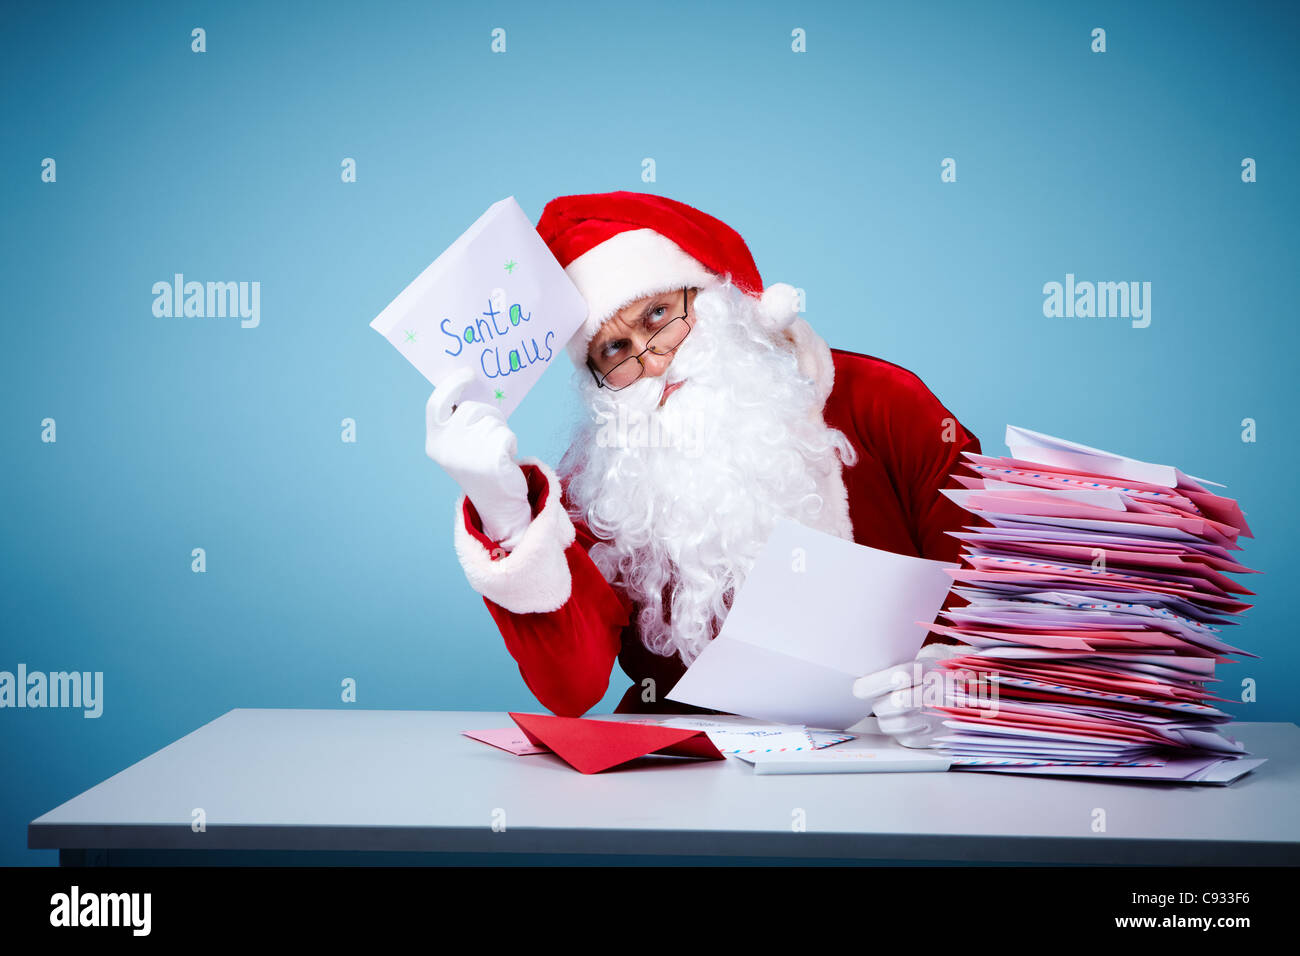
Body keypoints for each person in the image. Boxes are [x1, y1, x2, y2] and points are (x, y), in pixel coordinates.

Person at [425, 190, 979, 747]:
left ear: (716, 297)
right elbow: (572, 686)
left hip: (893, 757)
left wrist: (957, 686)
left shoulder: (883, 402)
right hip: (699, 773)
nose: (654, 360)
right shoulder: (601, 485)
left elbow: (995, 570)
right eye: (616, 349)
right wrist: (507, 516)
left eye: (659, 315)